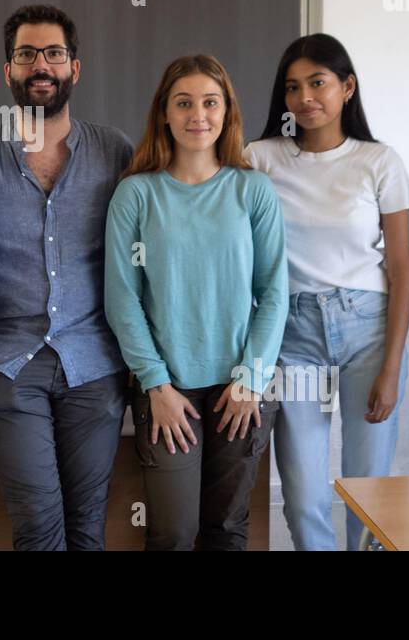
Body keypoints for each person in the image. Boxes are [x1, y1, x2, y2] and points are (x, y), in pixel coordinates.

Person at [104, 54, 288, 550]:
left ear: (227, 111)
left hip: (241, 389)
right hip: (168, 390)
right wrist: (156, 385)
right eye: (183, 103)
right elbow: (122, 298)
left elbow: (274, 291)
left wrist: (252, 377)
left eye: (210, 102)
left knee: (226, 530)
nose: (197, 115)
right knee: (173, 533)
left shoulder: (253, 190)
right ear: (164, 112)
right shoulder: (136, 194)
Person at [246, 33, 409, 551]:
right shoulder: (260, 157)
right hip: (290, 330)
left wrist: (391, 367)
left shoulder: (379, 161)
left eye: (318, 83)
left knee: (368, 489)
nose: (305, 98)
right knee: (301, 493)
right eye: (293, 87)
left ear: (347, 87)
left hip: (368, 324)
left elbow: (403, 270)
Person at [0, 4, 133, 551]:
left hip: (94, 364)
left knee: (88, 525)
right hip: (8, 366)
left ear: (75, 68)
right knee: (39, 526)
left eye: (53, 53)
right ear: (8, 71)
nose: (40, 65)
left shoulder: (114, 151)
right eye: (25, 54)